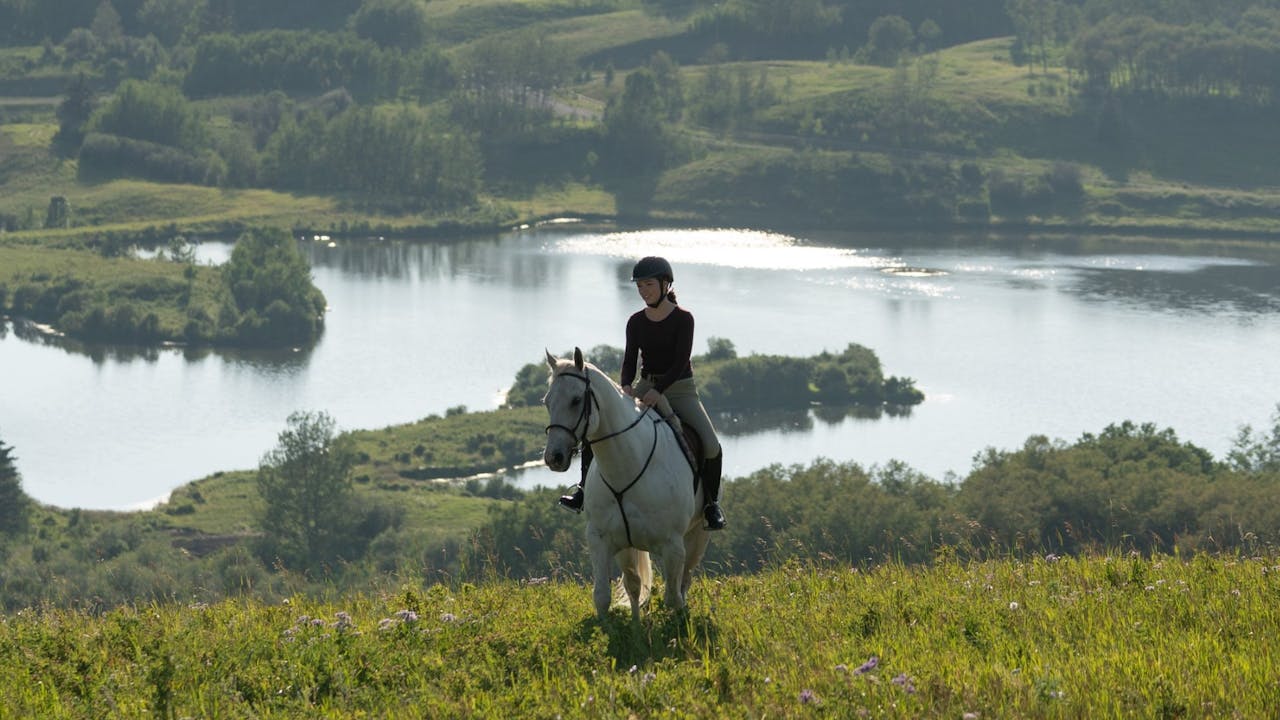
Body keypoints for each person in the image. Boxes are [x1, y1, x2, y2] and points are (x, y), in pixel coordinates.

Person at [559, 256, 726, 530]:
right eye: (640, 286)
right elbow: (629, 361)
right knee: (596, 431)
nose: (644, 291)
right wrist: (626, 386)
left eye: (648, 284)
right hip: (645, 385)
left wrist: (660, 392)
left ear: (664, 284)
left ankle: (710, 506)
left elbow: (681, 361)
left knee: (711, 445)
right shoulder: (635, 321)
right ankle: (582, 492)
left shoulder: (684, 319)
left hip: (680, 389)